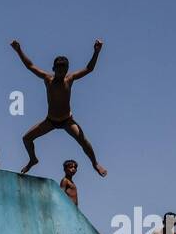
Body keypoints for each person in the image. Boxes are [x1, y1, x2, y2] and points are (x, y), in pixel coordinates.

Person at [12, 39, 107, 177]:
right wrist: (19, 50)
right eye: (59, 68)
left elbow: (89, 69)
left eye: (64, 68)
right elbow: (30, 66)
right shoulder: (47, 79)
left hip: (67, 120)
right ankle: (33, 159)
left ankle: (95, 163)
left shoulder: (70, 79)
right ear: (54, 68)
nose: (62, 71)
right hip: (50, 121)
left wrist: (96, 52)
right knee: (26, 138)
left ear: (67, 69)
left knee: (84, 141)